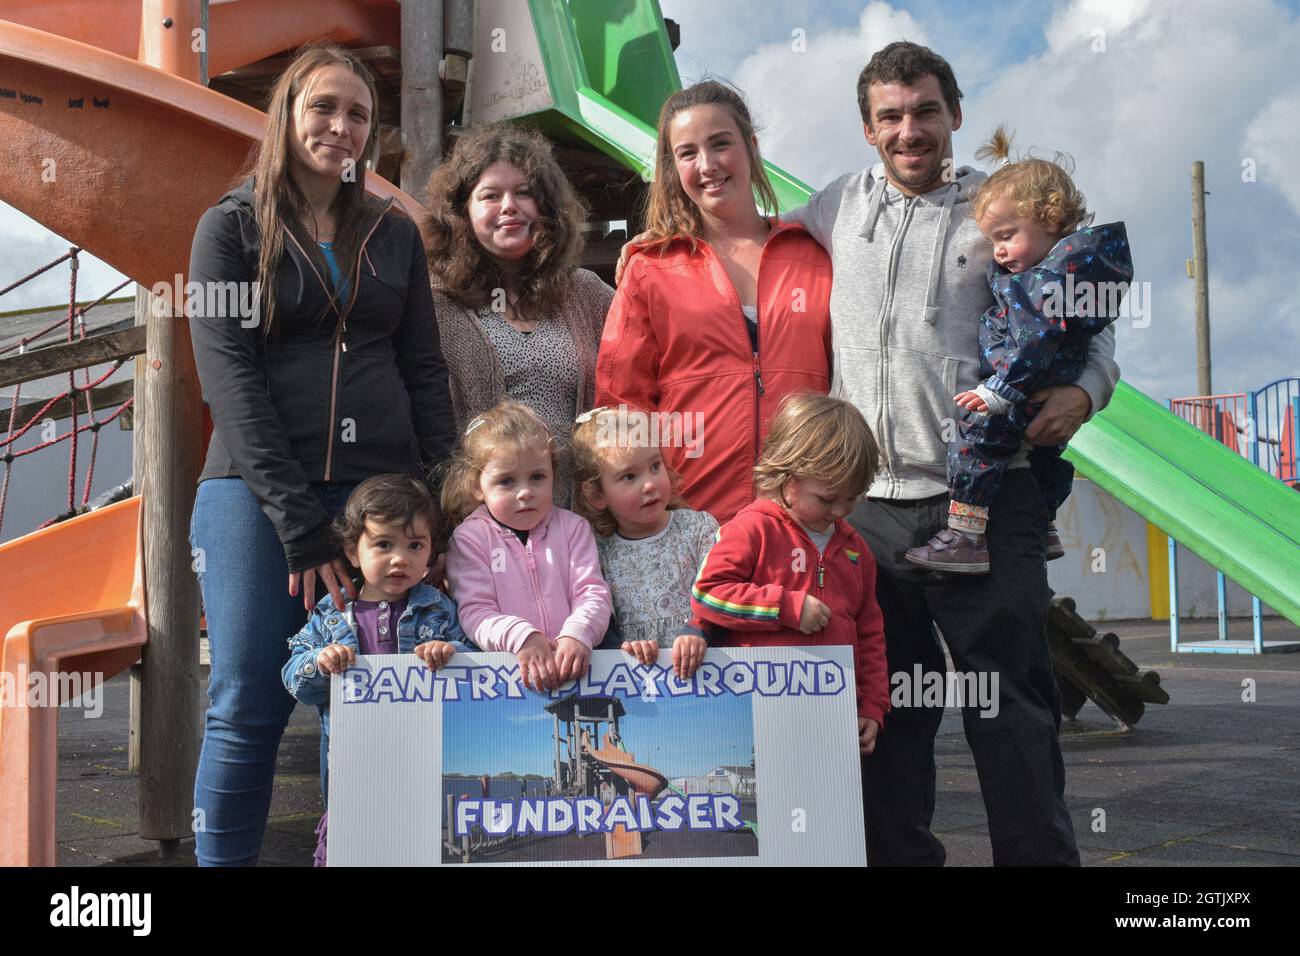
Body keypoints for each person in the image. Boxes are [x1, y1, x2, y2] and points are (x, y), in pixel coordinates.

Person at [783, 41, 1118, 866]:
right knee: (888, 709)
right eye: (890, 116)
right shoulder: (834, 207)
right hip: (866, 511)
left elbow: (1087, 305)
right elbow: (749, 249)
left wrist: (1089, 391)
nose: (910, 130)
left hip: (988, 499)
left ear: (955, 114)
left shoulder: (998, 206)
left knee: (1011, 706)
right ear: (867, 129)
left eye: (926, 110)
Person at [187, 41, 454, 866]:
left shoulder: (394, 232)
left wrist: (442, 500)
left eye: (358, 115)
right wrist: (298, 522)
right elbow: (227, 378)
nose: (342, 127)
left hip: (378, 493)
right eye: (324, 108)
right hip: (253, 494)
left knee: (377, 699)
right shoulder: (228, 228)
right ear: (288, 116)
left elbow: (423, 370)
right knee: (246, 699)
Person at [596, 80, 833, 524]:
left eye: (720, 144)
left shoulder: (815, 254)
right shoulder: (650, 268)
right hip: (692, 521)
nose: (707, 165)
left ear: (751, 146)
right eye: (687, 153)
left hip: (806, 518)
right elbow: (621, 405)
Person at [905, 127, 1134, 573]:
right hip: (1045, 397)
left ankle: (966, 537)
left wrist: (998, 391)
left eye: (1007, 236)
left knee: (977, 443)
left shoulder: (1043, 283)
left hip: (1021, 392)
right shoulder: (1074, 269)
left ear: (1049, 219)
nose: (999, 252)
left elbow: (1034, 342)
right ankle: (1047, 520)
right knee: (1048, 455)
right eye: (992, 241)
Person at [422, 124, 613, 506]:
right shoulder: (435, 302)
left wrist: (648, 259)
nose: (509, 206)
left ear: (547, 208)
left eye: (524, 193)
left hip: (577, 527)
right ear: (462, 213)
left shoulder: (586, 293)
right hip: (481, 533)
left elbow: (653, 341)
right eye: (490, 196)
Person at [281, 474, 466, 866]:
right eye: (384, 544)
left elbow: (477, 665)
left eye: (415, 546)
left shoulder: (440, 608)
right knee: (352, 842)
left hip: (424, 757)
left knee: (422, 840)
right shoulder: (332, 615)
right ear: (352, 550)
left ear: (431, 550)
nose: (401, 558)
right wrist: (320, 662)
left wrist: (451, 651)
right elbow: (294, 676)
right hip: (353, 762)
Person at [689, 392, 889, 754]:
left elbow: (871, 633)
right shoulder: (752, 528)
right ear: (785, 473)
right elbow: (708, 595)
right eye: (827, 499)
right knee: (767, 806)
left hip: (833, 711)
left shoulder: (856, 549)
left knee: (829, 805)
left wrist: (873, 706)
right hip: (757, 709)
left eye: (853, 499)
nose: (840, 511)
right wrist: (785, 608)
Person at [442, 401, 612, 692]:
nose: (525, 492)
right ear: (476, 487)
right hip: (507, 680)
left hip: (579, 670)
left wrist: (577, 634)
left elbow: (592, 592)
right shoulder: (469, 539)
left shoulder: (573, 528)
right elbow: (475, 610)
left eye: (537, 477)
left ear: (553, 476)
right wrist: (522, 638)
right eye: (506, 481)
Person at [570, 405, 716, 678]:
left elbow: (720, 590)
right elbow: (598, 614)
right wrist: (622, 647)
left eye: (654, 466)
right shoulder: (598, 552)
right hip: (640, 686)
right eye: (629, 476)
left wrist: (700, 629)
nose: (649, 484)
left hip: (705, 674)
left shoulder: (698, 529)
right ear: (597, 495)